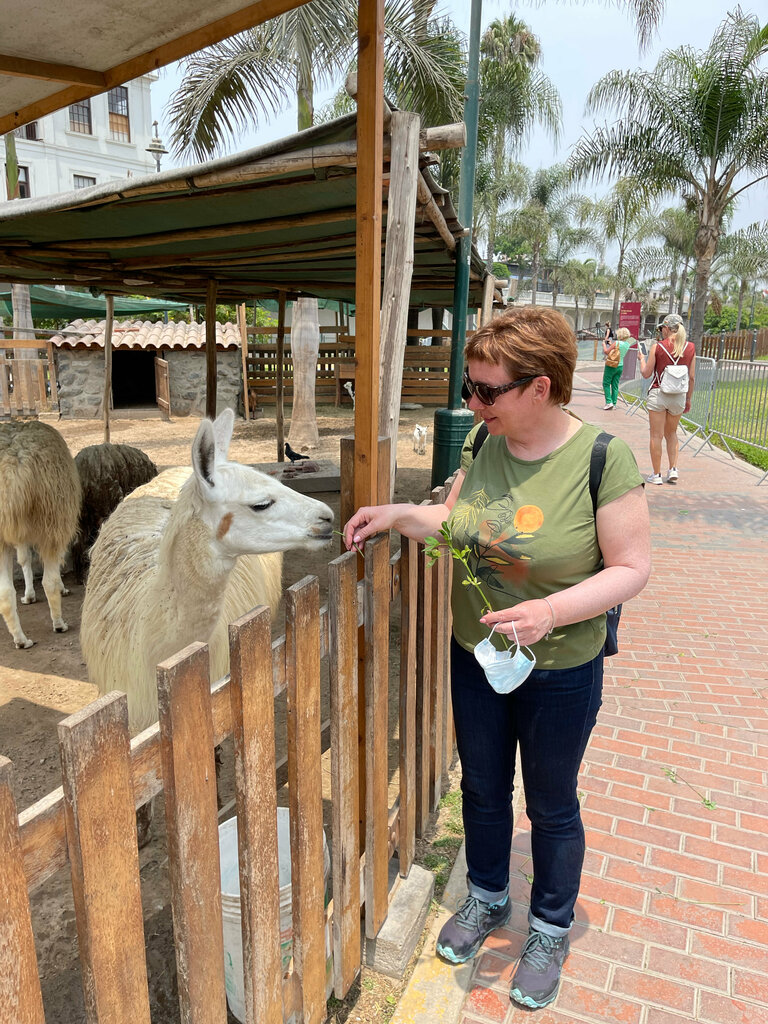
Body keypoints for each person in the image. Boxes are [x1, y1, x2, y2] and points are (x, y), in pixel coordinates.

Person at [343, 307, 651, 1012]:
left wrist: (551, 612)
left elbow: (632, 568)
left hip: (560, 666)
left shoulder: (603, 459)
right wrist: (397, 514)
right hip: (479, 655)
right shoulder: (485, 442)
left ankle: (549, 927)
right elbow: (455, 523)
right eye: (470, 387)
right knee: (483, 786)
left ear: (540, 388)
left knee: (550, 802)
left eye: (486, 390)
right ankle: (486, 893)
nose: (472, 402)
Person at [637, 311, 696, 485]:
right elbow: (692, 377)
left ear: (667, 328)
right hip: (678, 396)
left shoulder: (658, 347)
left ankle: (656, 474)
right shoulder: (690, 347)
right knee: (672, 433)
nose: (661, 331)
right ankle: (673, 469)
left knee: (656, 435)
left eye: (662, 328)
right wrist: (688, 399)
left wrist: (642, 359)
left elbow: (646, 373)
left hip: (659, 394)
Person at [601, 326, 633, 410]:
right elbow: (618, 350)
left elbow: (606, 352)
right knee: (615, 385)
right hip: (620, 366)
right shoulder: (627, 344)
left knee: (606, 383)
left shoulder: (617, 343)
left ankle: (609, 402)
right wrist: (611, 344)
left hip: (611, 365)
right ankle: (614, 403)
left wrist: (604, 345)